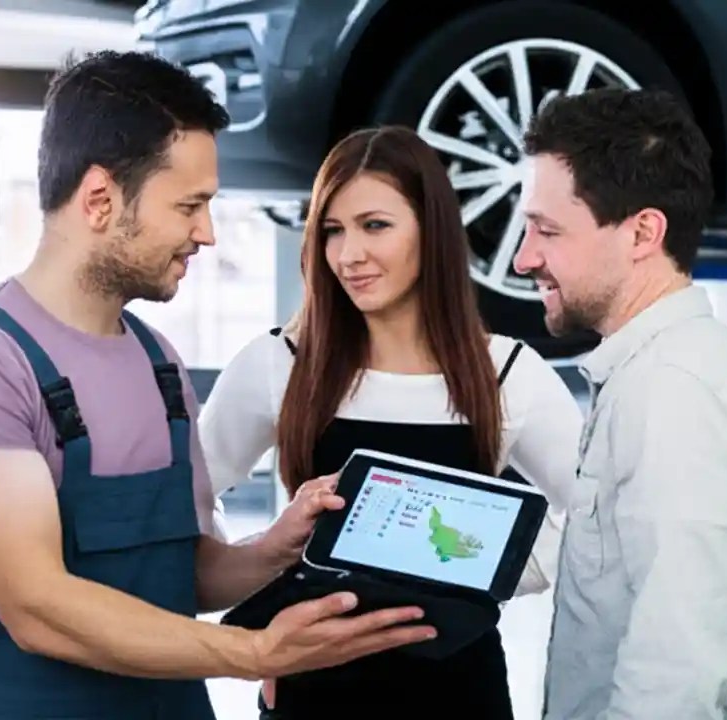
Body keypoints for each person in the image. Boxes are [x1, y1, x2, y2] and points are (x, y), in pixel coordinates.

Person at [0, 51, 435, 720]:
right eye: (190, 206)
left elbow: (183, 575)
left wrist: (272, 550)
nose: (205, 233)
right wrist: (254, 653)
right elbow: (39, 610)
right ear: (99, 200)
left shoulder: (158, 363)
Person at [197, 125, 584, 718]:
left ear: (430, 231)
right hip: (313, 694)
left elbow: (596, 513)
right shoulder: (279, 364)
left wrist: (501, 569)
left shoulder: (505, 371)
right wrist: (258, 586)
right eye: (332, 230)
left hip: (461, 695)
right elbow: (187, 502)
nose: (349, 254)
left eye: (374, 225)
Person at [514, 88, 727, 719]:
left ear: (643, 232)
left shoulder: (675, 394)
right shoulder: (660, 373)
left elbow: (674, 673)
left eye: (547, 230)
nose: (523, 258)